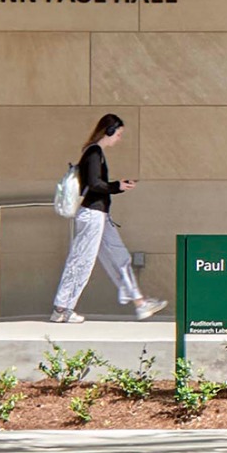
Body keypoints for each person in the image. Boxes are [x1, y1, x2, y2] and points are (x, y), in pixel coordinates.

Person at [52, 113, 167, 324]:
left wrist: (117, 186)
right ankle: (62, 307)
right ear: (109, 131)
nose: (119, 139)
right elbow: (95, 184)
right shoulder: (94, 152)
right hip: (92, 215)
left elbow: (97, 184)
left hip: (100, 215)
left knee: (119, 257)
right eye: (119, 134)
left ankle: (140, 303)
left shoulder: (95, 153)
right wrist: (117, 186)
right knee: (82, 261)